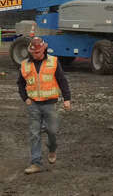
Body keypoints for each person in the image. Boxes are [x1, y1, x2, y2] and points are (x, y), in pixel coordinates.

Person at [17, 36, 71, 175]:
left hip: (50, 104)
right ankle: (36, 163)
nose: (36, 55)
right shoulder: (25, 64)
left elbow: (62, 80)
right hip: (33, 104)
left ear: (44, 49)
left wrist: (67, 99)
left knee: (52, 131)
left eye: (38, 52)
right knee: (34, 133)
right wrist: (25, 98)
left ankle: (52, 149)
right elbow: (21, 83)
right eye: (34, 52)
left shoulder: (53, 62)